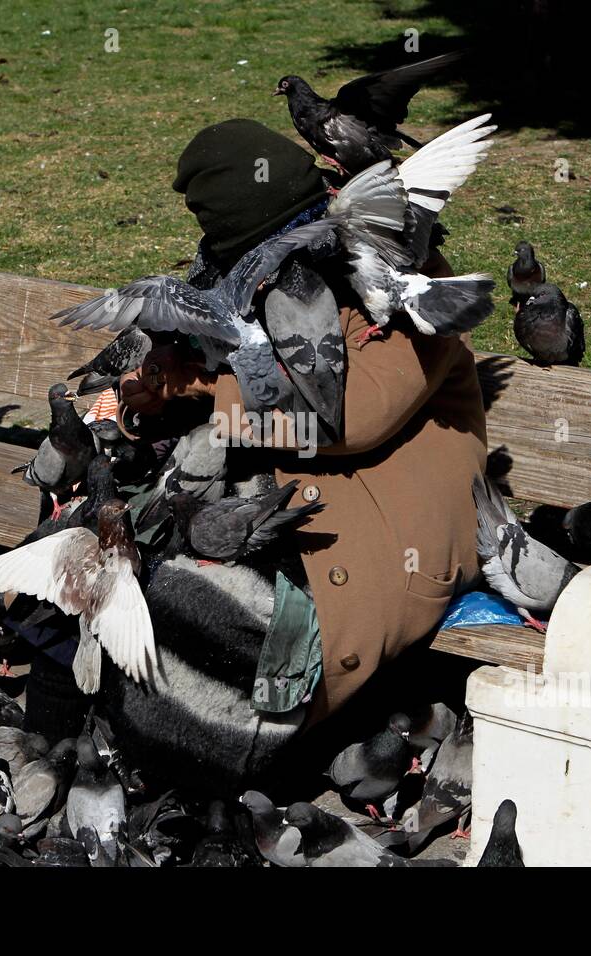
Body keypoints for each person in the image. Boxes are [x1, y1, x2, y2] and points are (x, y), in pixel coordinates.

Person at [102, 119, 488, 793]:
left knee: (231, 616)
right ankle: (158, 764)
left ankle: (221, 769)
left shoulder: (399, 272)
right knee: (109, 549)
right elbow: (222, 377)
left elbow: (353, 419)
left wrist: (206, 389)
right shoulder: (250, 278)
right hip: (291, 495)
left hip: (391, 522)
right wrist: (148, 397)